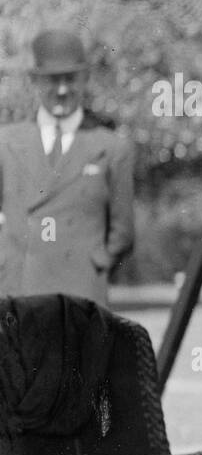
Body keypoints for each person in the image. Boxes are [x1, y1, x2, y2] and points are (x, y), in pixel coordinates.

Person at [0, 30, 134, 307]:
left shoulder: (111, 148)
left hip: (82, 295)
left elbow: (123, 233)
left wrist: (95, 265)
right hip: (18, 292)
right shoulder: (6, 143)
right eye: (52, 80)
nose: (62, 90)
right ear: (34, 80)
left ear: (85, 78)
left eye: (70, 78)